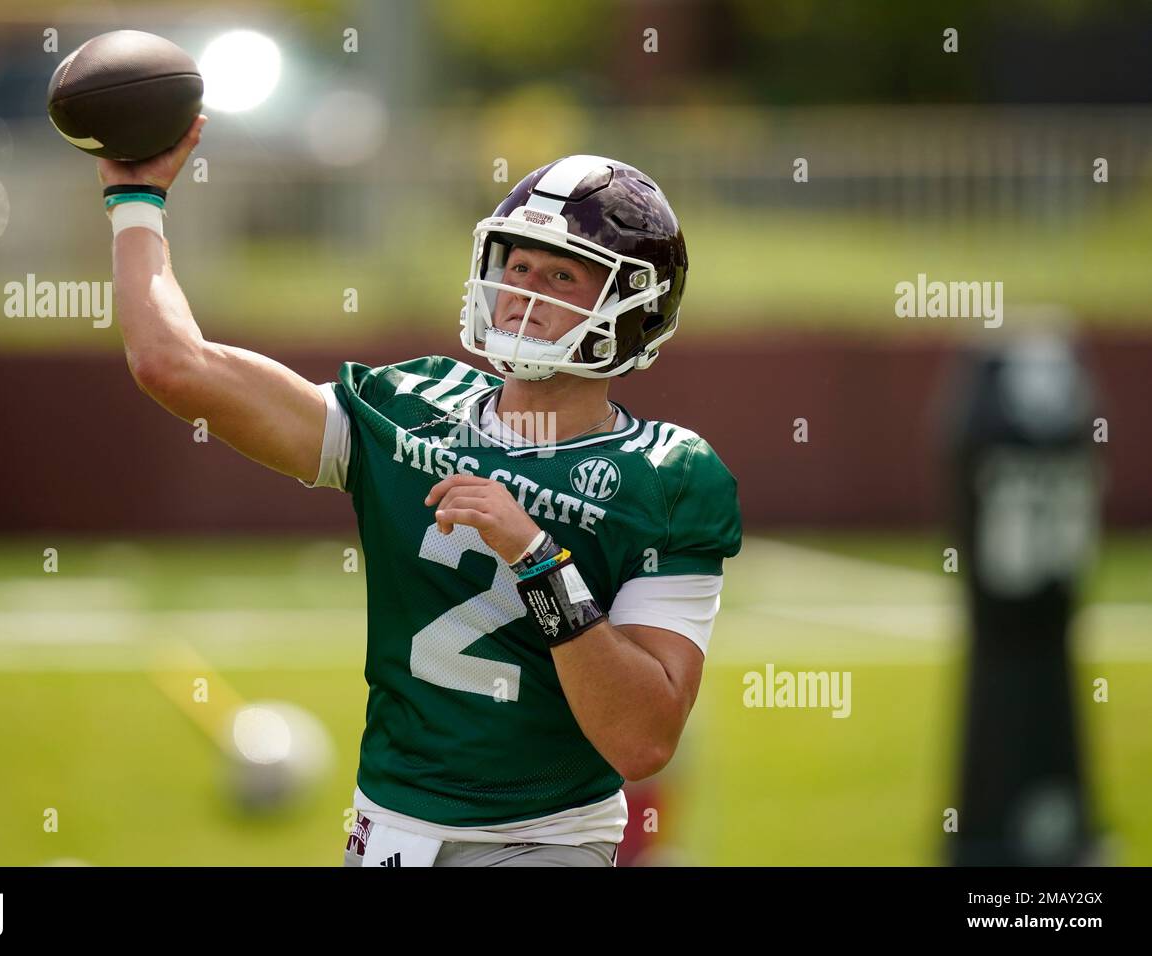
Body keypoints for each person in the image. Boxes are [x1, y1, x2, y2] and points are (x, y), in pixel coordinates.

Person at [97, 117, 742, 867]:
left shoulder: (666, 475)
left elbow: (644, 738)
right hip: (384, 836)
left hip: (541, 841)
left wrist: (537, 560)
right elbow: (173, 366)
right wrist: (135, 200)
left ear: (633, 308)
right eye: (517, 266)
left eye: (562, 276)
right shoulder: (411, 407)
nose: (522, 294)